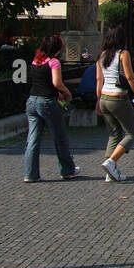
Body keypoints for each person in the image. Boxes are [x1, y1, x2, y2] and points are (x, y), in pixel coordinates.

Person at [23, 35, 79, 183]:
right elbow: (56, 82)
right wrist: (67, 93)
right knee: (60, 137)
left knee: (33, 139)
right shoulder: (54, 62)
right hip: (47, 102)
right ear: (57, 48)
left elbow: (42, 83)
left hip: (32, 101)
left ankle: (30, 174)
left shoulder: (35, 61)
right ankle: (67, 170)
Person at [97, 26, 134, 183]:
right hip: (118, 98)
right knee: (131, 133)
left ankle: (110, 172)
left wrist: (98, 101)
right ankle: (110, 163)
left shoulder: (101, 55)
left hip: (104, 97)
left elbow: (99, 80)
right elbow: (130, 77)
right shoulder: (123, 54)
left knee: (114, 134)